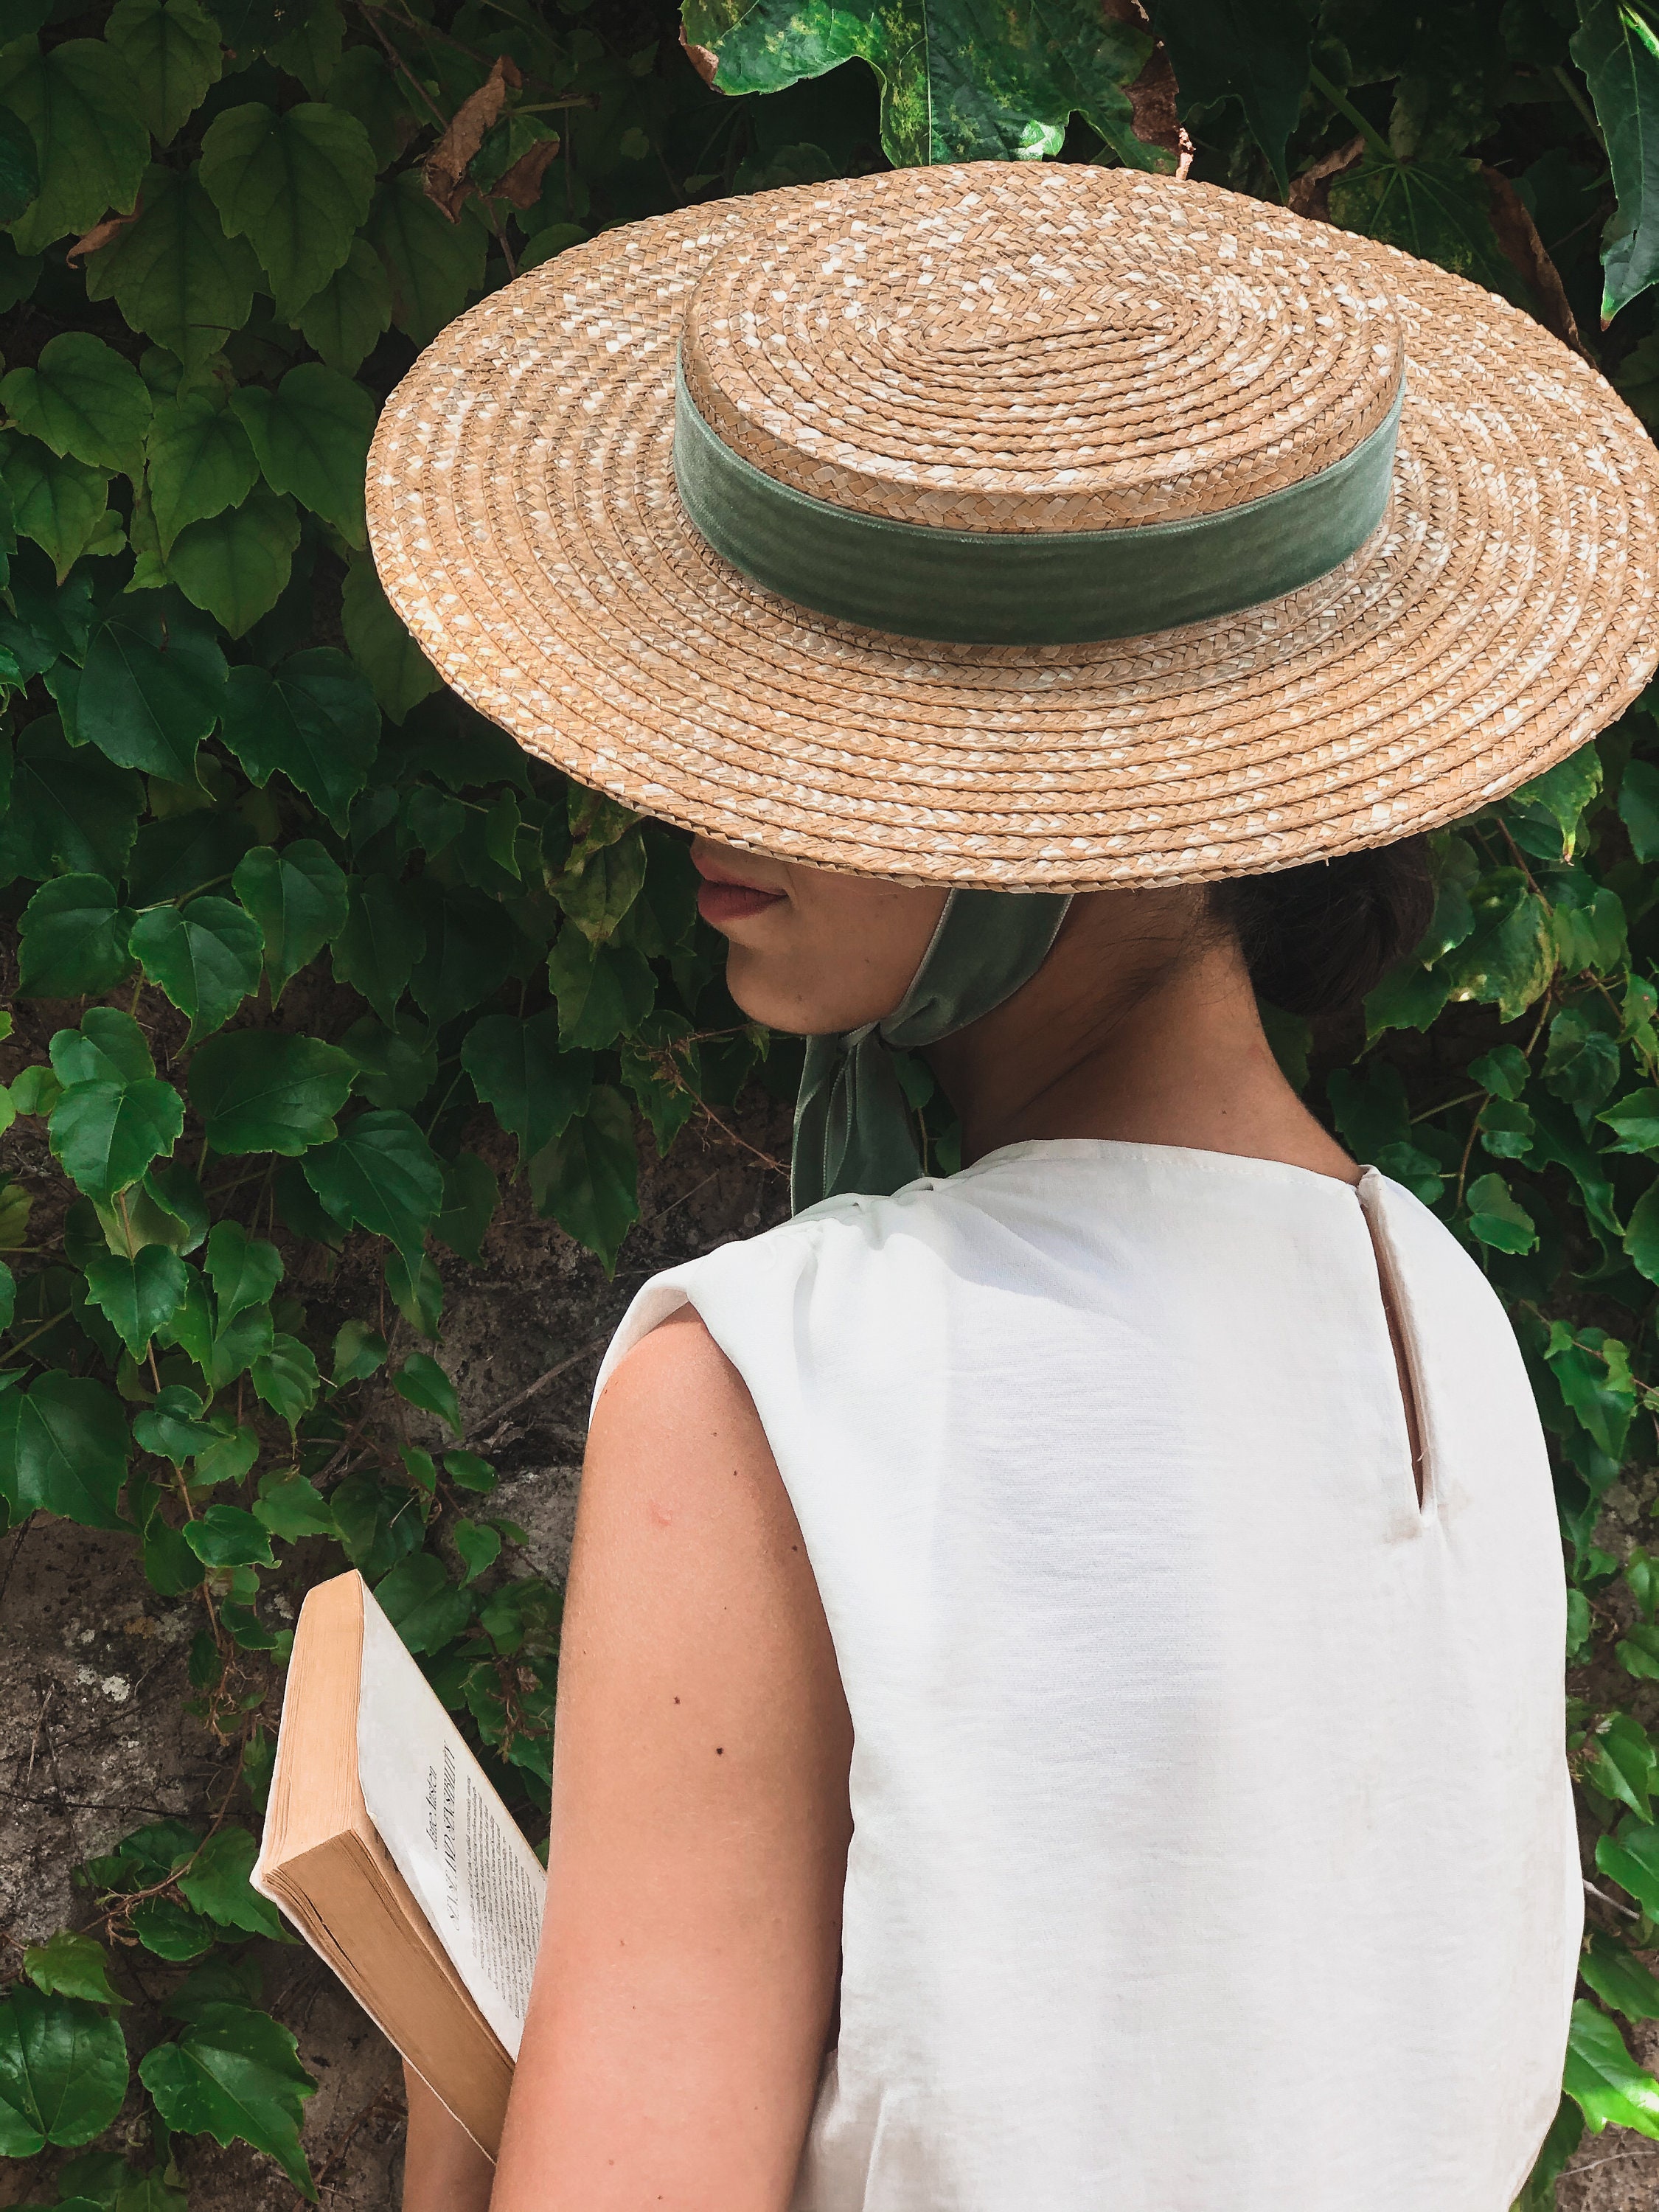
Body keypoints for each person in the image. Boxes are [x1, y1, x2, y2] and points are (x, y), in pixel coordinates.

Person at [369, 161, 1659, 2211]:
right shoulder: (1442, 1323)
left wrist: (461, 2118)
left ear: (1106, 800)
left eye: (838, 724)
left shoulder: (786, 1382)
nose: (696, 790)